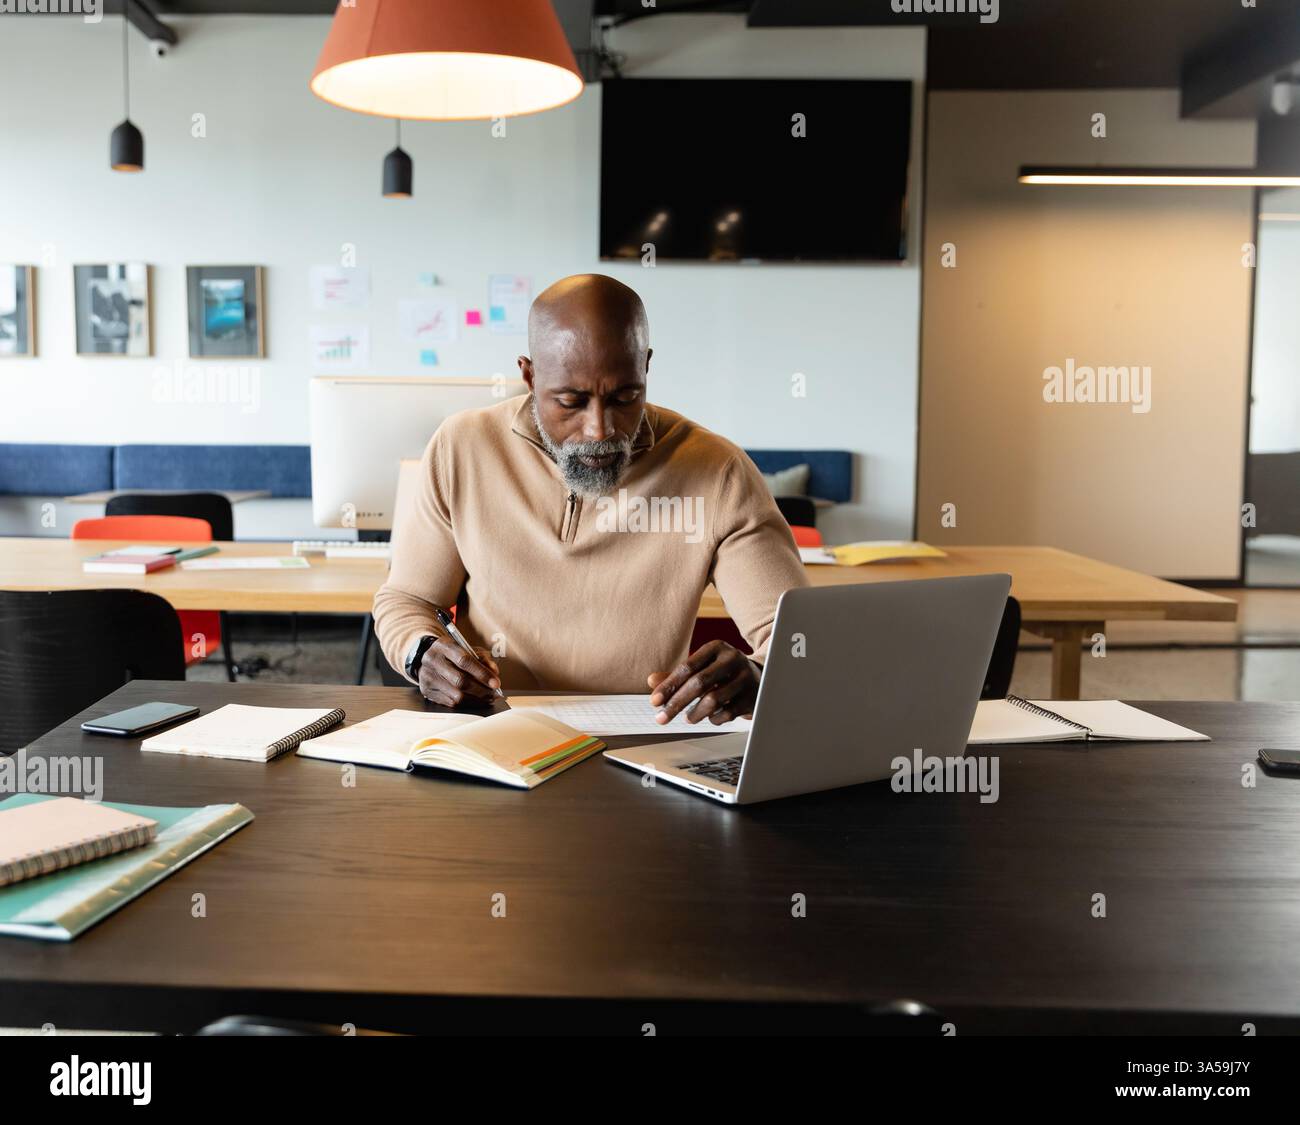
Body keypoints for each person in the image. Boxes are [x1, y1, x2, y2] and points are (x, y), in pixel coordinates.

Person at [373, 273, 808, 726]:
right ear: (529, 375)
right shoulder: (462, 446)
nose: (600, 430)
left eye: (625, 397)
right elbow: (407, 599)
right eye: (570, 401)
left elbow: (798, 638)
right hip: (494, 729)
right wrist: (422, 652)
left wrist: (760, 674)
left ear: (646, 368)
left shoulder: (718, 471)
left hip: (642, 741)